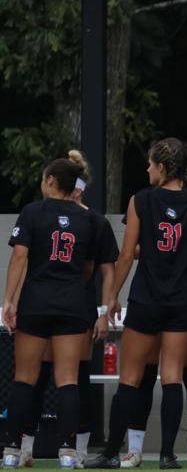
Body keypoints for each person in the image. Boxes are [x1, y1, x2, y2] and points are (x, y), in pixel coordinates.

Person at [84, 138, 187, 469]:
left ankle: (111, 453)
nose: (147, 169)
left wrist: (111, 297)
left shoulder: (140, 200)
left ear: (163, 167)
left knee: (130, 377)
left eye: (151, 164)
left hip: (145, 299)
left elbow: (127, 255)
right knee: (172, 377)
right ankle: (167, 455)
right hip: (182, 300)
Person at [2, 156, 116, 470]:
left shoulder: (32, 212)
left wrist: (9, 301)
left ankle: (12, 449)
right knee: (68, 380)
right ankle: (67, 451)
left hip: (36, 302)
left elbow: (19, 257)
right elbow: (90, 269)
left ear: (50, 180)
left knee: (24, 378)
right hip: (73, 305)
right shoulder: (90, 219)